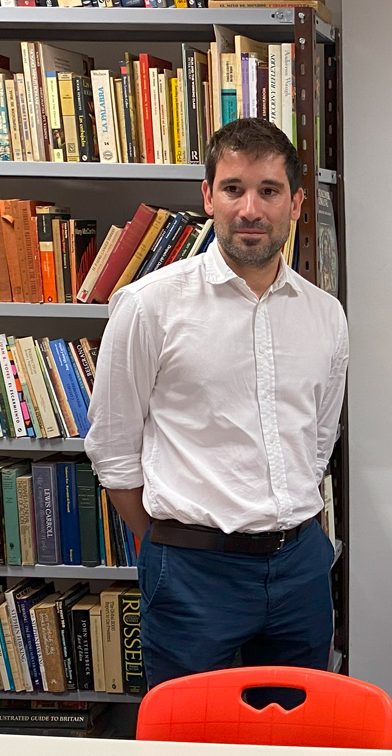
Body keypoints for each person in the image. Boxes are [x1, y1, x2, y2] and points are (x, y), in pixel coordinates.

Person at [85, 117, 349, 689]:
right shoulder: (148, 307)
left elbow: (318, 440)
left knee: (295, 734)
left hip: (300, 565)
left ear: (297, 203)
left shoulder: (325, 314)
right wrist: (171, 542)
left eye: (269, 190)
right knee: (190, 738)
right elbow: (112, 450)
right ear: (208, 197)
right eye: (233, 188)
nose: (250, 208)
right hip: (191, 571)